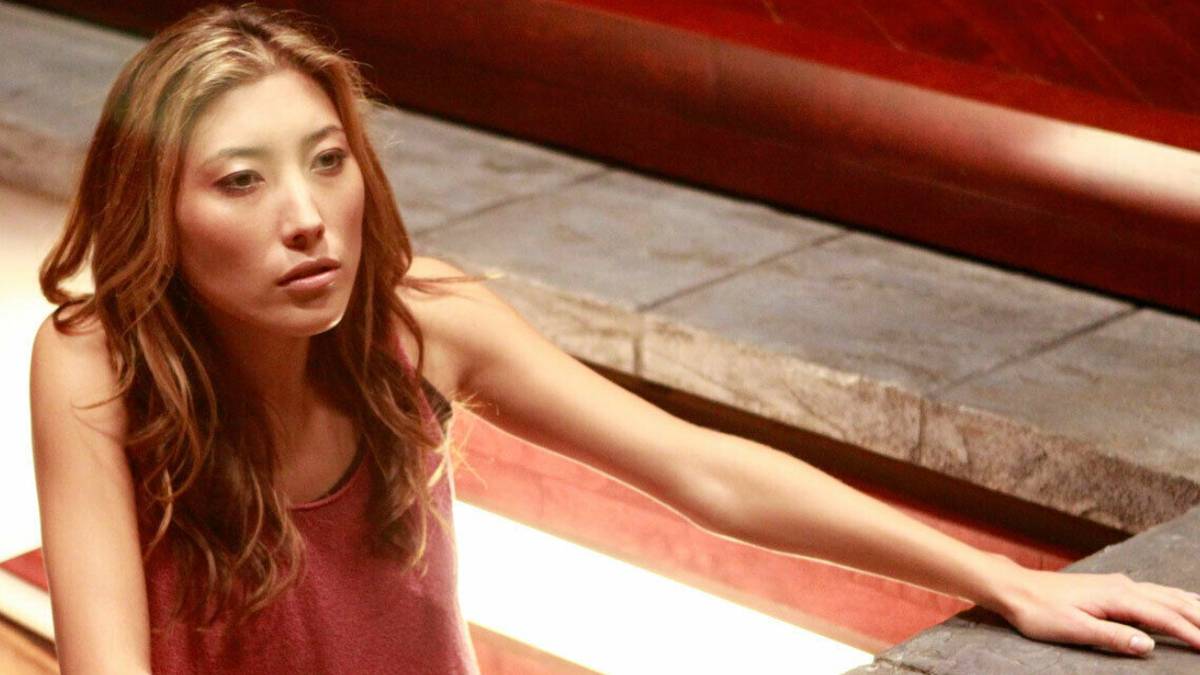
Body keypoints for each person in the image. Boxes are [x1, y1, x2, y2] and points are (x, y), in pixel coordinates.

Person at [28, 3, 1200, 673]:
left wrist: (1001, 579)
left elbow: (702, 471)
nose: (306, 216)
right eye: (241, 180)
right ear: (156, 212)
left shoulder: (422, 320)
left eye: (327, 160)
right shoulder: (96, 367)